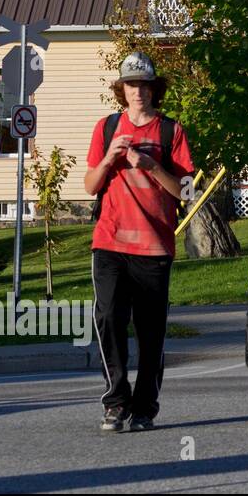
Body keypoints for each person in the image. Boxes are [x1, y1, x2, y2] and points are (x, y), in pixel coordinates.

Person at [84, 52, 194, 433]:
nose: (137, 92)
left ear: (153, 89)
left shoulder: (170, 131)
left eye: (144, 85)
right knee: (109, 319)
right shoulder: (106, 127)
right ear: (122, 89)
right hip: (110, 241)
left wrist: (151, 167)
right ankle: (116, 401)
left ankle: (145, 406)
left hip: (153, 245)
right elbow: (89, 185)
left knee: (151, 330)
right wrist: (109, 159)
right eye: (131, 85)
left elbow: (186, 192)